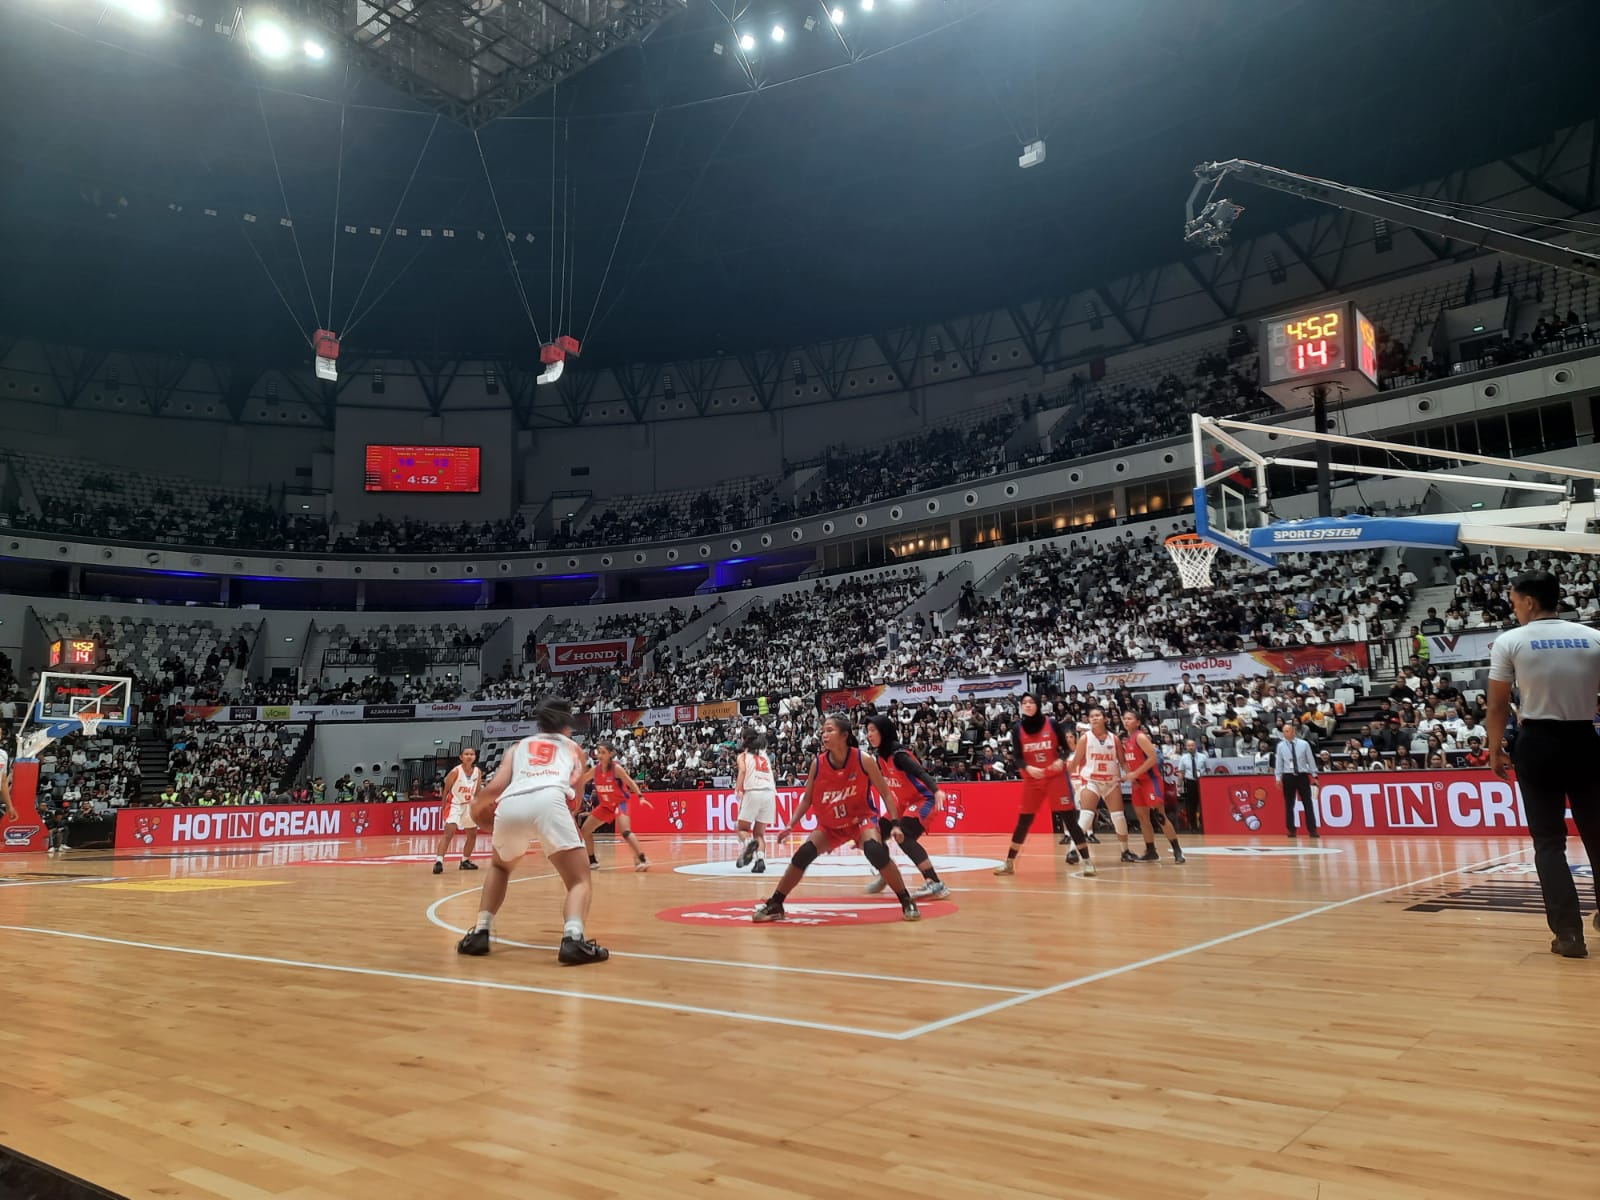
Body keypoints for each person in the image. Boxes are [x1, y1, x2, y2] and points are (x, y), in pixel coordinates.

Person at [1486, 570, 1600, 959]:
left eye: (1515, 602)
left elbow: (1498, 703)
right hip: (1585, 740)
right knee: (1598, 836)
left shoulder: (1510, 642)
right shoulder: (1593, 637)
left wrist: (1494, 748)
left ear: (1530, 602)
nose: (1514, 608)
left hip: (1538, 743)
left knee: (1549, 843)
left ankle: (1569, 935)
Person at [455, 696, 608, 965]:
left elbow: (495, 787)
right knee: (579, 880)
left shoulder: (519, 746)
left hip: (511, 803)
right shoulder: (574, 749)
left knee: (500, 867)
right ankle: (573, 938)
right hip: (550, 799)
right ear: (567, 725)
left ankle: (481, 930)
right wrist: (563, 818)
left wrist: (476, 808)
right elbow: (576, 797)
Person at [752, 713, 919, 923]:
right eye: (823, 731)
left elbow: (886, 793)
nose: (824, 735)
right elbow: (807, 799)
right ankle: (776, 903)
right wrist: (790, 825)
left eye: (830, 730)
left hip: (861, 821)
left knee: (875, 851)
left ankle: (906, 899)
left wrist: (895, 824)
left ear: (844, 735)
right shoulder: (818, 764)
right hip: (831, 826)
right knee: (802, 855)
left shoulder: (863, 759)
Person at [995, 693, 1094, 875]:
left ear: (1038, 704)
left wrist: (1060, 760)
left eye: (1031, 702)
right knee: (1024, 821)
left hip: (1055, 777)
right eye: (1024, 703)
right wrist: (1028, 767)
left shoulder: (1052, 723)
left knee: (1070, 820)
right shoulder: (1017, 729)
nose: (1028, 705)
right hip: (1033, 779)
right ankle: (1009, 863)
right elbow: (1017, 757)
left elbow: (1065, 749)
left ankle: (1087, 861)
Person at [860, 713, 951, 899]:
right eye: (867, 731)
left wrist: (936, 790)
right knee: (872, 836)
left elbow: (919, 771)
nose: (868, 734)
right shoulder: (880, 756)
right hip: (902, 803)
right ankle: (886, 872)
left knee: (904, 835)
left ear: (884, 732)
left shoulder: (898, 754)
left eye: (872, 730)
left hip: (924, 799)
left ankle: (935, 883)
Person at [576, 743, 652, 872]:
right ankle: (592, 861)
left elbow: (630, 782)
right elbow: (582, 780)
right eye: (598, 752)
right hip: (606, 806)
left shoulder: (616, 769)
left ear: (611, 754)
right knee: (585, 830)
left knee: (625, 832)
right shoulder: (595, 770)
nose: (599, 755)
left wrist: (640, 796)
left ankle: (642, 858)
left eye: (603, 752)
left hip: (620, 803)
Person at [1122, 711, 1184, 864]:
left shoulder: (1140, 737)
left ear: (1137, 722)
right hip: (1138, 784)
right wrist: (1132, 776)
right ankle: (1151, 850)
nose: (1126, 721)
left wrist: (1135, 773)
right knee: (1143, 818)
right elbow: (1129, 762)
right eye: (1124, 719)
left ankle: (1177, 850)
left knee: (1159, 816)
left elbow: (1153, 758)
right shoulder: (1127, 741)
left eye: (1129, 718)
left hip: (1151, 781)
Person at [1071, 707, 1132, 862]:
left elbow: (1123, 761)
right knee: (1086, 815)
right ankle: (1072, 850)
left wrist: (1132, 776)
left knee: (1118, 817)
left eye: (1098, 715)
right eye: (1091, 716)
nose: (1094, 718)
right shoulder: (1085, 738)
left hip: (1111, 781)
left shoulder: (1114, 739)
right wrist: (1063, 778)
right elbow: (1076, 761)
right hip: (1091, 780)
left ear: (1105, 719)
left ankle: (1125, 851)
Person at [431, 747, 483, 875]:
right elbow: (446, 789)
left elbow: (476, 791)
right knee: (449, 833)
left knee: (472, 834)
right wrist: (443, 804)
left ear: (475, 757)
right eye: (466, 754)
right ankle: (439, 861)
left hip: (469, 805)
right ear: (461, 757)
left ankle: (465, 861)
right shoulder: (455, 772)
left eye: (472, 754)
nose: (469, 756)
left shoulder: (477, 772)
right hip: (454, 804)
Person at [733, 728, 777, 874]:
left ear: (744, 739)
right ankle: (760, 860)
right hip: (770, 793)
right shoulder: (764, 754)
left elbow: (743, 771)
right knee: (759, 834)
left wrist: (738, 789)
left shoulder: (743, 756)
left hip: (753, 791)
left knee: (742, 829)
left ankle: (748, 843)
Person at [1274, 721, 1320, 840]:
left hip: (1302, 775)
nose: (1285, 734)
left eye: (1287, 731)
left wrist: (1314, 775)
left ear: (1293, 731)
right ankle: (1291, 829)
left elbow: (1310, 759)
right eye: (1284, 731)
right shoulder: (1280, 746)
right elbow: (1279, 762)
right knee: (1289, 804)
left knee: (1307, 803)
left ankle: (1312, 829)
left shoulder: (1304, 744)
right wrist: (1278, 777)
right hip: (1288, 776)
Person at [1174, 738, 1207, 832]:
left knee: (1203, 804)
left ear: (1196, 746)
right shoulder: (1183, 758)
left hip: (1202, 782)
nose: (1191, 747)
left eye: (1192, 745)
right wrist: (1179, 786)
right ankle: (1193, 826)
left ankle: (1203, 824)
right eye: (1189, 746)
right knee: (1191, 806)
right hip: (1190, 782)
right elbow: (1181, 773)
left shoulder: (1203, 757)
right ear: (1186, 747)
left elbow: (1208, 770)